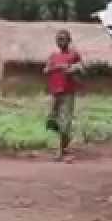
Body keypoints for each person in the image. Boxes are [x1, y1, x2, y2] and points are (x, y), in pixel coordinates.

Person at [42, 29, 84, 161]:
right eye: (58, 39)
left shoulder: (74, 55)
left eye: (63, 39)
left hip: (68, 93)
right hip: (55, 92)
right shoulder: (53, 56)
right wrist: (59, 67)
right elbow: (45, 70)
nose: (60, 41)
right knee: (52, 120)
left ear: (69, 40)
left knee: (65, 122)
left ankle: (60, 150)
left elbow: (82, 68)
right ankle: (64, 145)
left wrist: (72, 69)